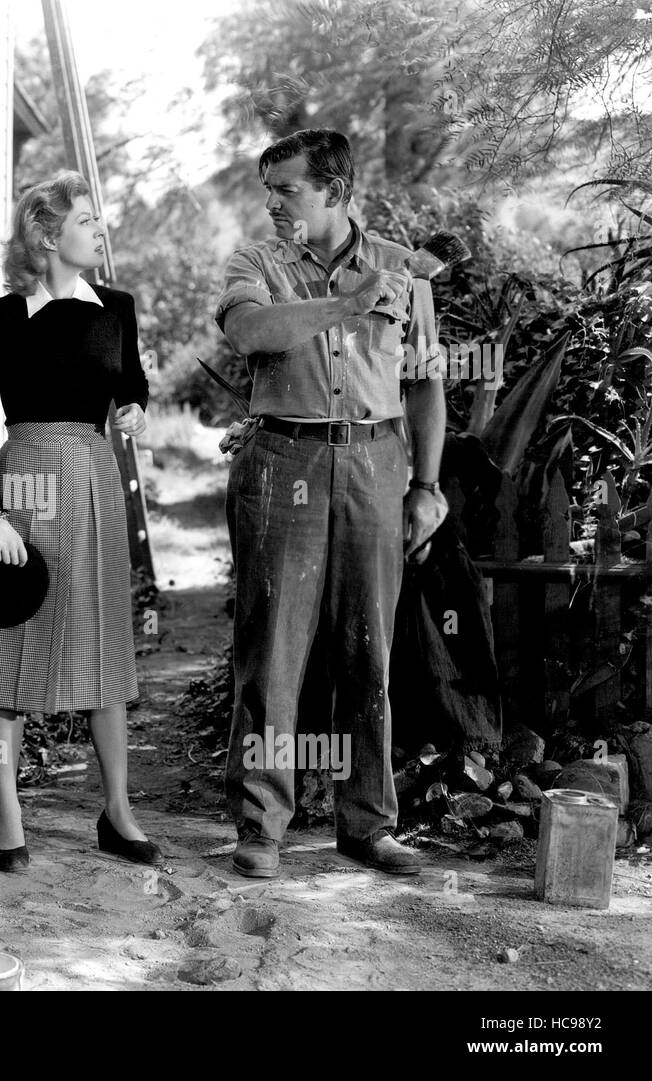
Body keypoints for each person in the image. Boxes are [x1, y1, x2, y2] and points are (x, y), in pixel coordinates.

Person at [216, 129, 447, 879]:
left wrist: (427, 485)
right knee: (272, 651)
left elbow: (426, 384)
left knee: (368, 647)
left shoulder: (402, 271)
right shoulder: (257, 262)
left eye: (287, 189)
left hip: (378, 462)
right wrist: (341, 303)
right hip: (283, 456)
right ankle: (261, 826)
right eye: (268, 190)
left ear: (336, 192)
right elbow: (252, 332)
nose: (272, 203)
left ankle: (369, 824)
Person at [0, 171, 160, 871]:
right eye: (85, 221)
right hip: (25, 491)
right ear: (46, 235)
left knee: (104, 650)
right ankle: (7, 813)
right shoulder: (0, 318)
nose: (100, 230)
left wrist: (135, 412)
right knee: (9, 648)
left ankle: (117, 810)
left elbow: (131, 392)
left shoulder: (118, 307)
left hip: (97, 485)